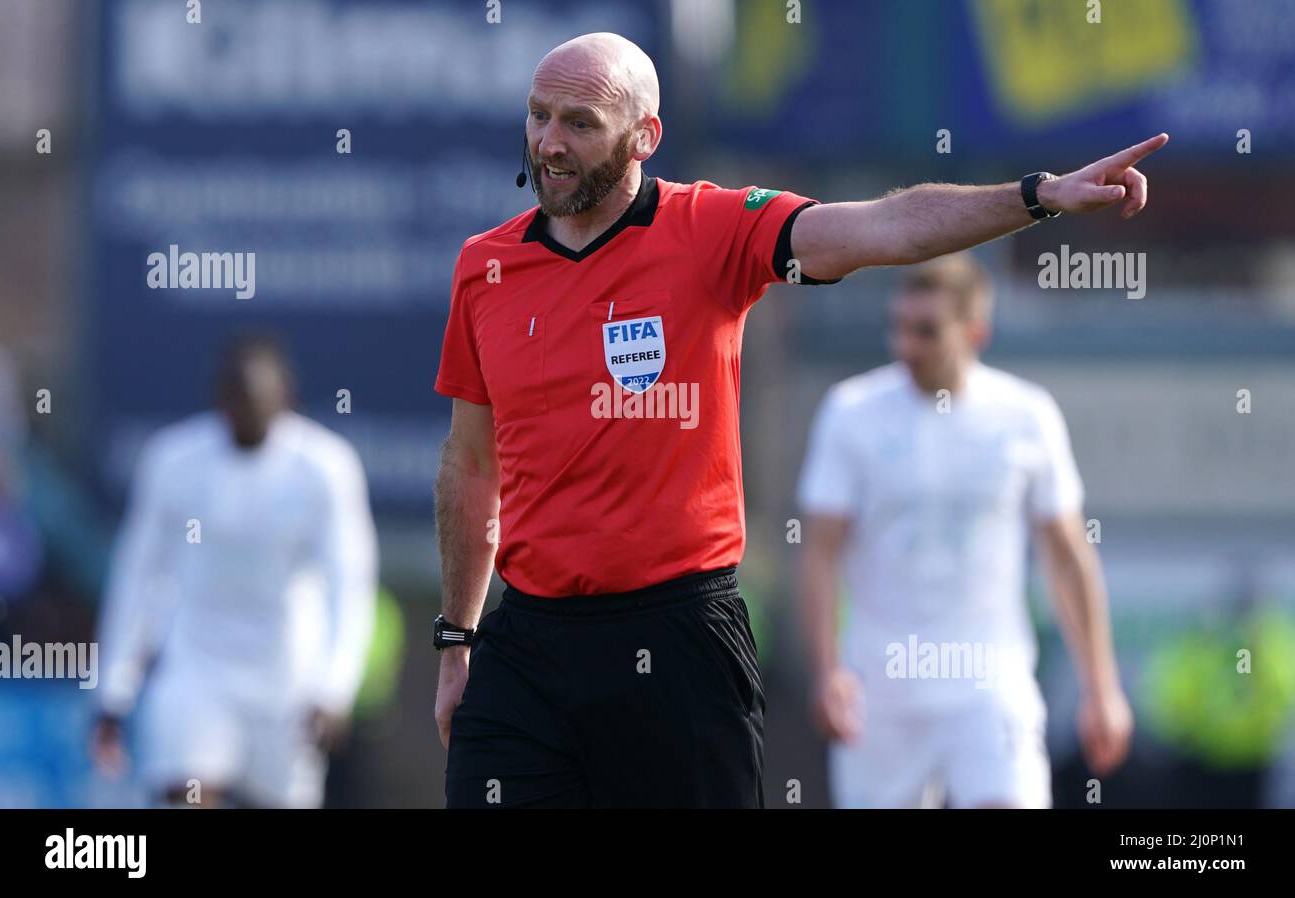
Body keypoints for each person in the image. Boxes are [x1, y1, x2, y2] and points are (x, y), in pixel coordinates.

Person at [433, 31, 1163, 809]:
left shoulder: (709, 229)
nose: (549, 142)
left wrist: (1036, 196)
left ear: (645, 136)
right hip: (527, 645)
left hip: (677, 639)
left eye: (580, 122)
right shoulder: (487, 266)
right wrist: (457, 642)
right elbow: (473, 467)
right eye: (539, 116)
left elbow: (886, 227)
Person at [797, 254, 1132, 808]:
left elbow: (1067, 555)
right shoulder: (851, 411)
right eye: (899, 327)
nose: (906, 344)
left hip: (989, 680)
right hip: (881, 687)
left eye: (926, 331)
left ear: (975, 331)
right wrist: (828, 669)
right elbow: (819, 553)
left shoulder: (1025, 414)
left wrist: (1102, 687)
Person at [92, 336, 377, 808]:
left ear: (284, 399)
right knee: (186, 794)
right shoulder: (173, 461)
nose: (244, 411)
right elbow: (137, 577)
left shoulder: (325, 468)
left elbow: (350, 585)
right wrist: (114, 689)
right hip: (195, 669)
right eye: (234, 398)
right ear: (218, 399)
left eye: (257, 400)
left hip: (287, 679)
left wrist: (334, 687)